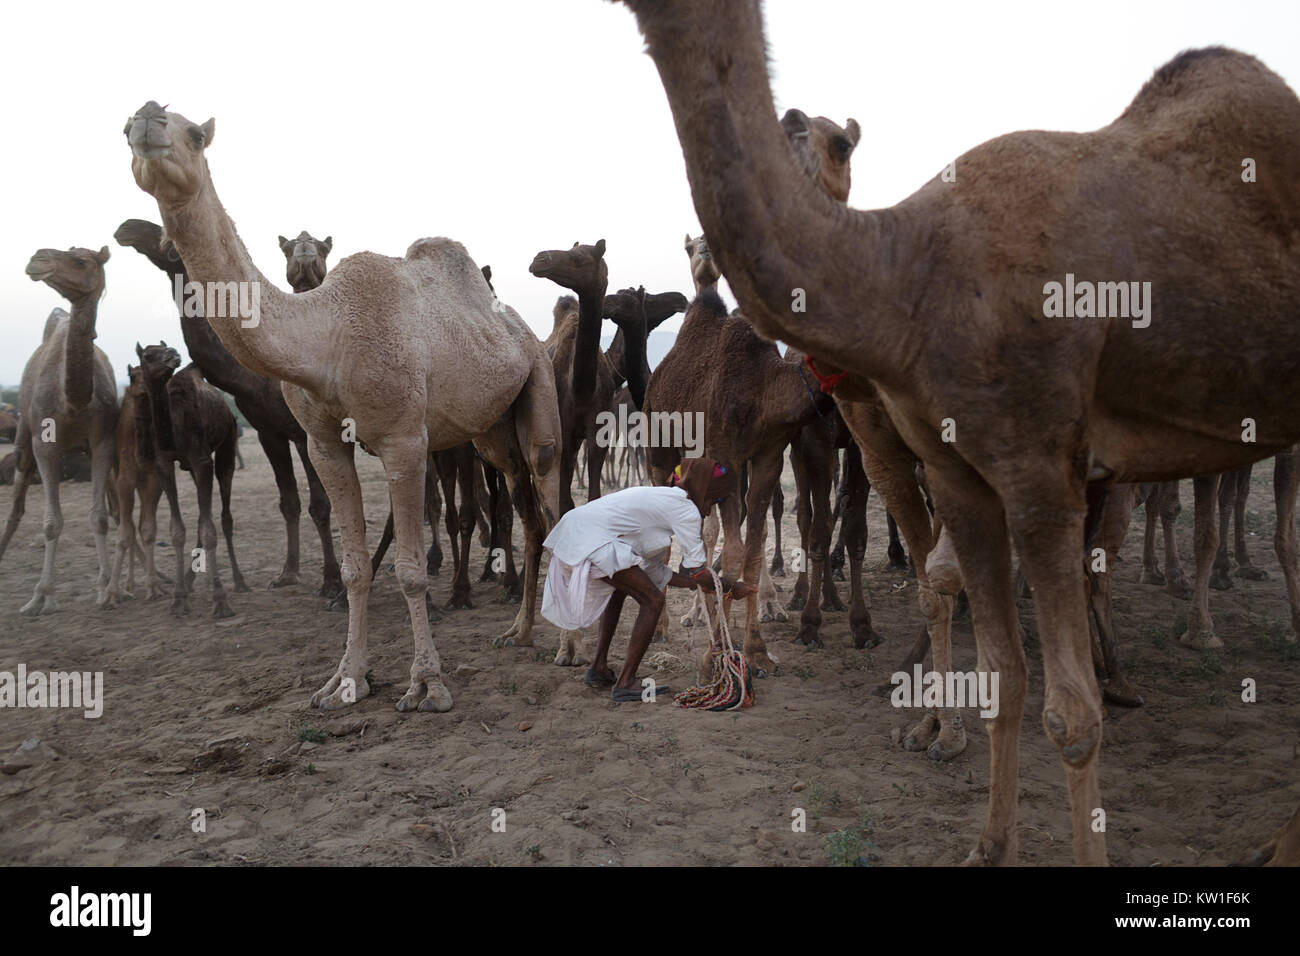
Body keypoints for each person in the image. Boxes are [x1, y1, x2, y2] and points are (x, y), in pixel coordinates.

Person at [541, 456, 748, 702]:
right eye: (716, 499)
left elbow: (657, 571)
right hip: (590, 539)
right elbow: (697, 571)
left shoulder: (661, 502)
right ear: (706, 490)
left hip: (574, 532)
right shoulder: (686, 510)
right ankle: (626, 682)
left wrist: (700, 585)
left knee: (620, 589)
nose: (712, 507)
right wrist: (730, 587)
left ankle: (598, 668)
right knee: (653, 601)